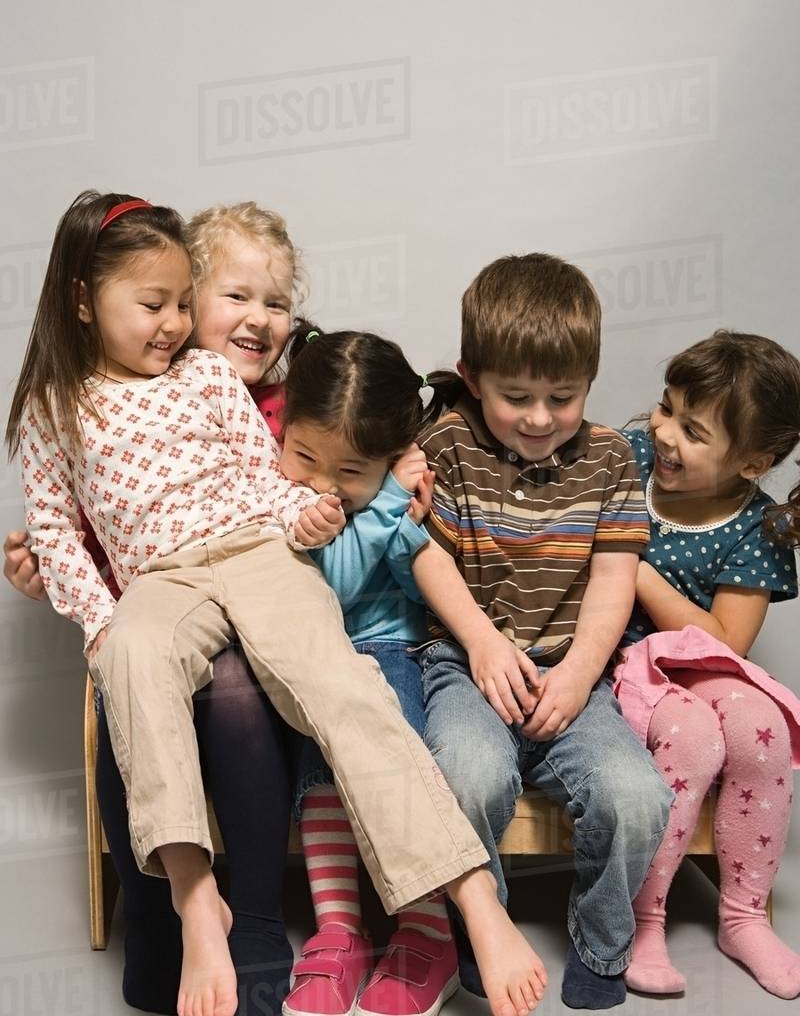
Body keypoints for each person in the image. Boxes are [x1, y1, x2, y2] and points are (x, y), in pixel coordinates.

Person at [6, 190, 547, 1016]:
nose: (174, 325)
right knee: (128, 657)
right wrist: (98, 615)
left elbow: (264, 476)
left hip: (256, 549)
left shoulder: (208, 376)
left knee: (342, 685)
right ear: (83, 302)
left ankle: (472, 895)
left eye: (184, 304)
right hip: (160, 579)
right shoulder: (55, 407)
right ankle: (195, 902)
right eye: (154, 305)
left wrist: (308, 515)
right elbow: (52, 526)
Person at [5, 199, 309, 1015]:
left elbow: (347, 449)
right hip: (150, 610)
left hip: (253, 610)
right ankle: (158, 913)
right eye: (228, 300)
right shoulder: (125, 386)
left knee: (238, 684)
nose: (251, 322)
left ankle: (252, 922)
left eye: (276, 305)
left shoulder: (281, 400)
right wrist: (52, 570)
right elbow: (82, 515)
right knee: (125, 678)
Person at [410, 252, 674, 1011]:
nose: (538, 418)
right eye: (515, 396)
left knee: (635, 794)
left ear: (589, 381)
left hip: (571, 673)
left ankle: (601, 946)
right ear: (473, 374)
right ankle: (477, 923)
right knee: (467, 775)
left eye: (563, 397)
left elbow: (614, 581)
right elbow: (425, 556)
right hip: (466, 663)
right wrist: (484, 643)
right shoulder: (450, 446)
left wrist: (581, 671)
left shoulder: (611, 460)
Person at [611, 331, 800, 999]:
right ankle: (644, 917)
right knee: (694, 739)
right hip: (616, 656)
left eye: (693, 431)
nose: (664, 433)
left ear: (753, 464)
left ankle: (743, 914)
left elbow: (725, 643)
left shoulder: (759, 528)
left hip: (699, 663)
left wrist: (631, 567)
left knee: (762, 728)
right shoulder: (624, 459)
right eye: (667, 409)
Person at [277, 324, 456, 1016]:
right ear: (284, 431)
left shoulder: (390, 502)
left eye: (349, 471)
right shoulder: (282, 496)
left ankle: (425, 927)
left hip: (387, 654)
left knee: (396, 764)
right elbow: (335, 587)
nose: (323, 484)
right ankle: (339, 929)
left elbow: (415, 592)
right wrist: (379, 503)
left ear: (389, 458)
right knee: (320, 770)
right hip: (311, 658)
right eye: (305, 456)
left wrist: (393, 513)